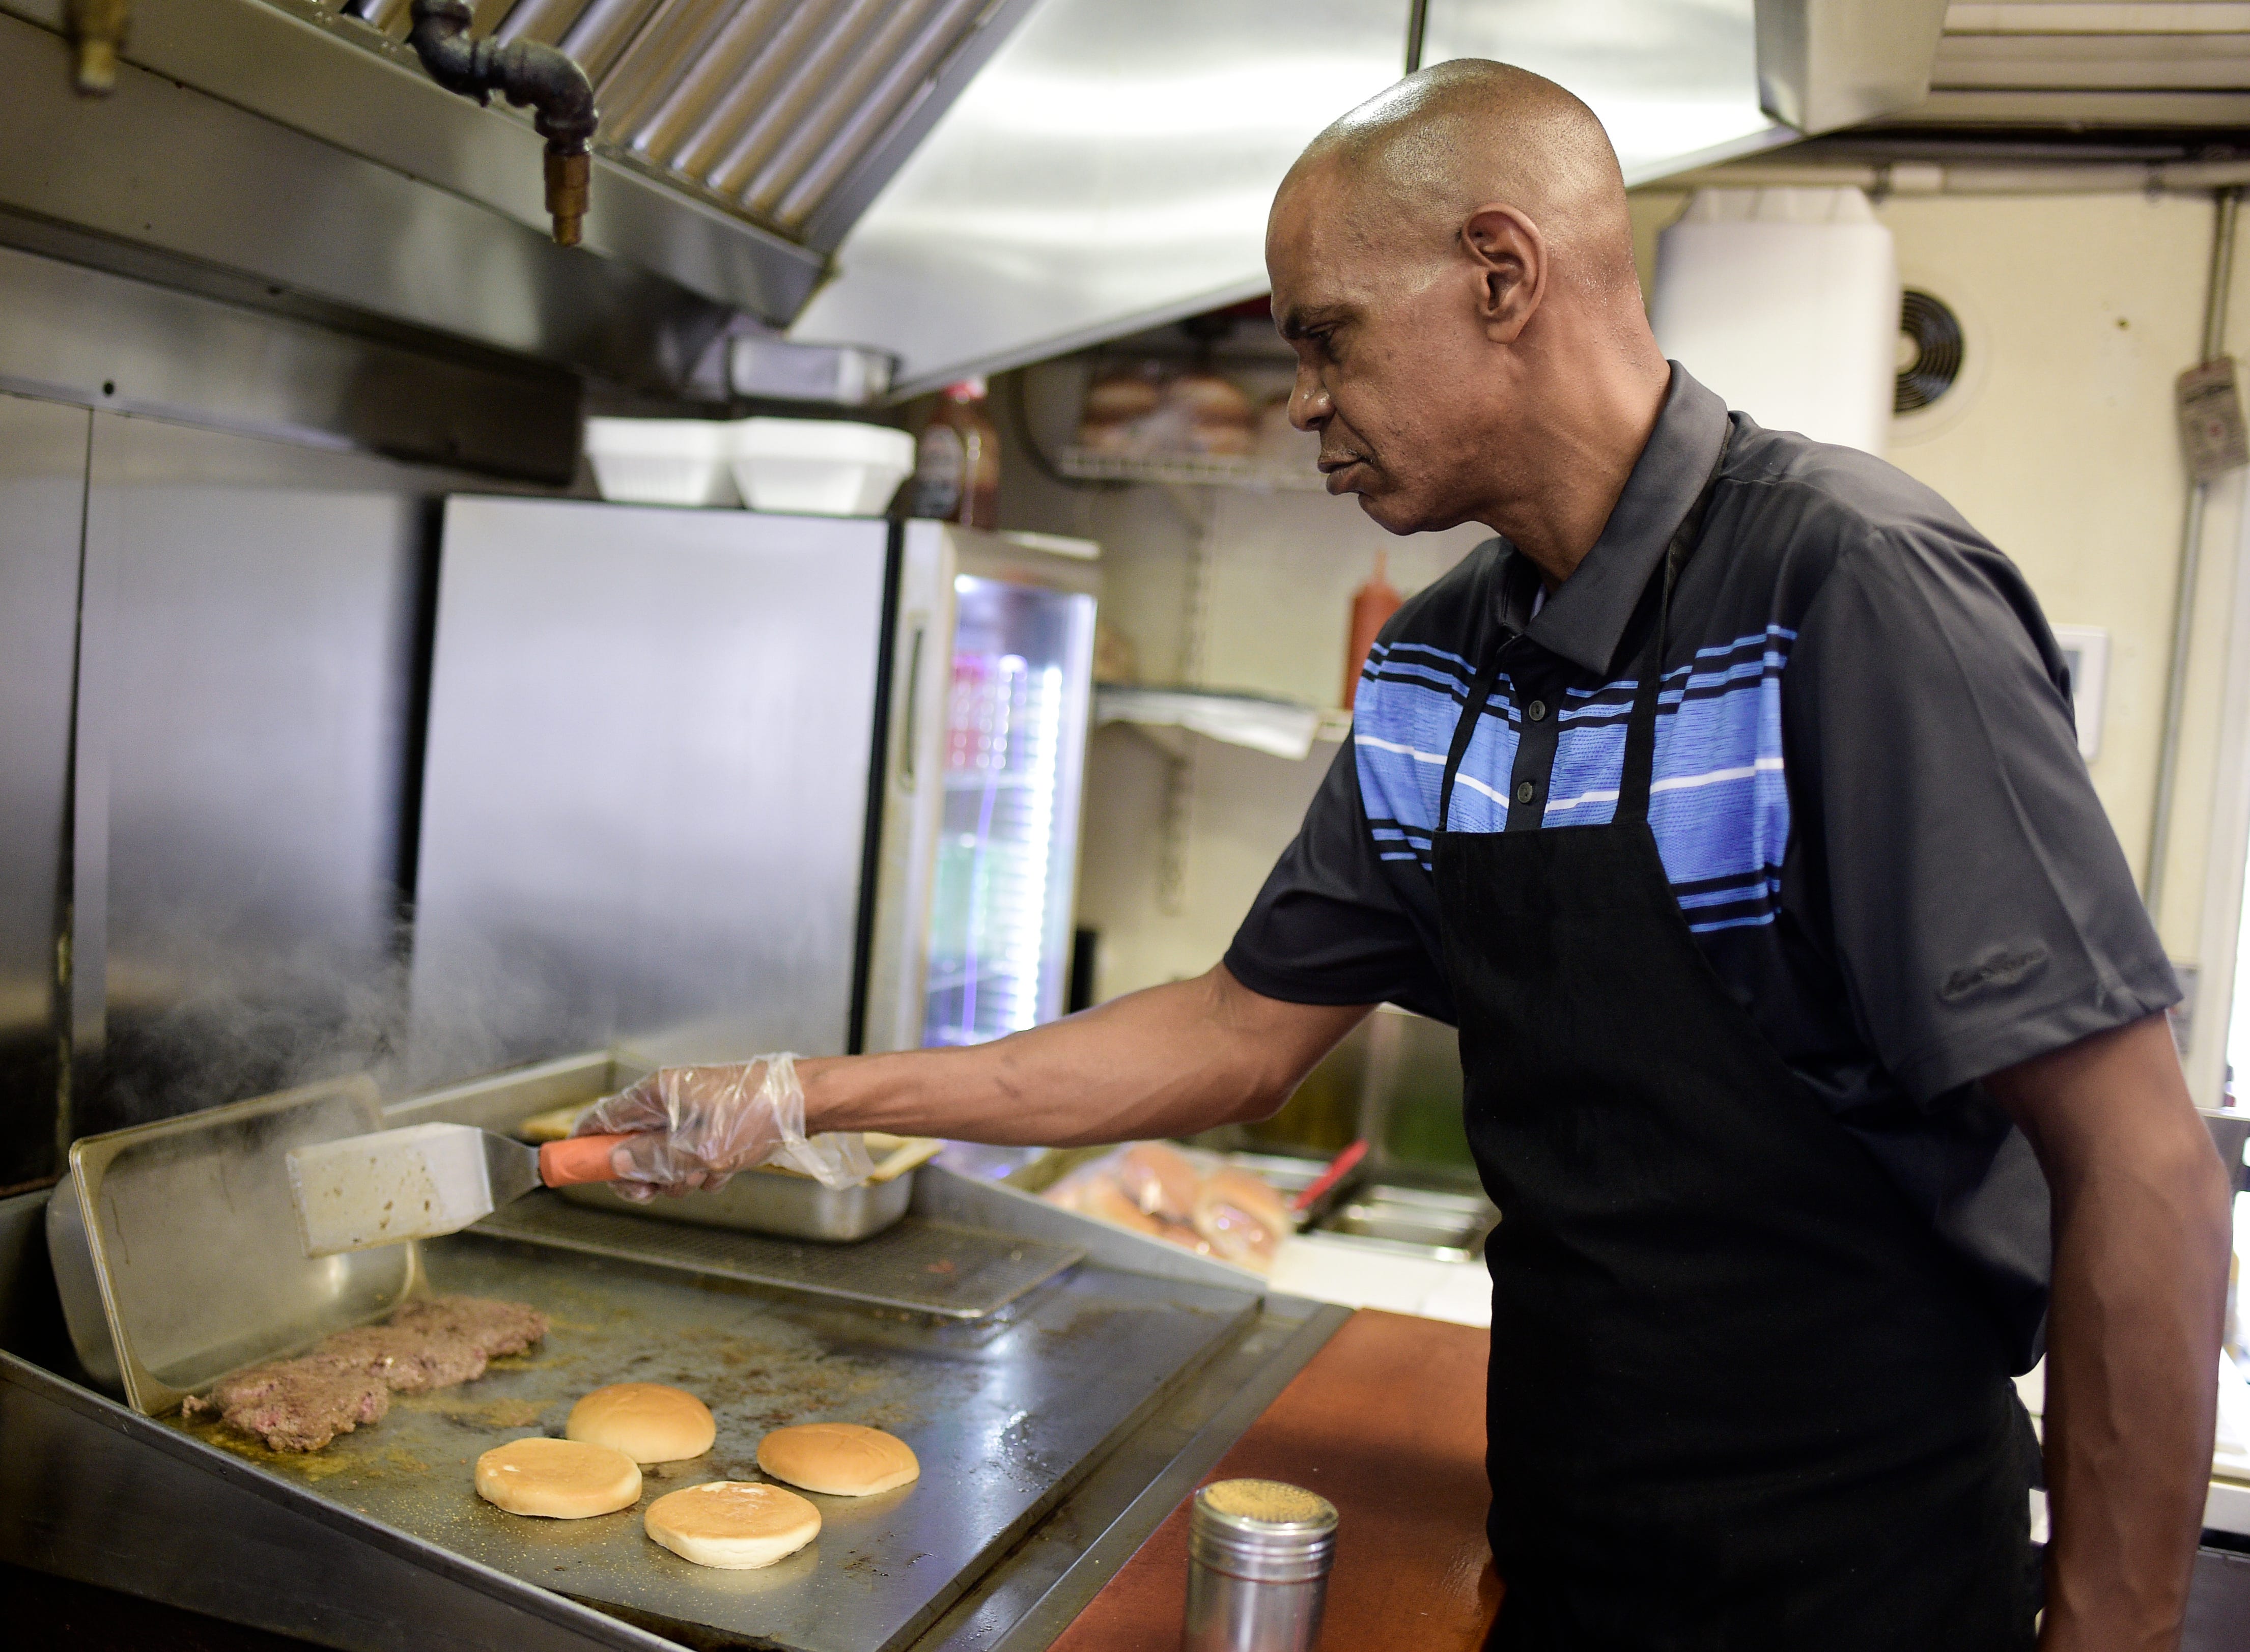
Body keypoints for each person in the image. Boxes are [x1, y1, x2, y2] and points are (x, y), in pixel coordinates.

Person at [575, 61, 2232, 1650]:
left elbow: (2143, 1167)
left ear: (1499, 274)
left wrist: (2107, 1634)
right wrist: (802, 1098)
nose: (1303, 398)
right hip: (1567, 1554)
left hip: (1859, 1579)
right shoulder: (1444, 660)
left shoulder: (1846, 597)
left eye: (1326, 339)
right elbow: (1237, 1031)